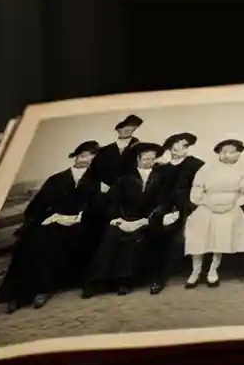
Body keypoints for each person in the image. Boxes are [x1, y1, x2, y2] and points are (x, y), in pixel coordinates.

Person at [0, 140, 100, 313]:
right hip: (53, 219)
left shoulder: (95, 181)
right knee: (32, 240)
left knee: (59, 241)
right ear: (76, 156)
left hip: (80, 222)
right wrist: (51, 217)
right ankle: (18, 294)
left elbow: (96, 203)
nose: (85, 159)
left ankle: (43, 289)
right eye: (82, 155)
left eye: (91, 156)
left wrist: (81, 216)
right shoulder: (56, 179)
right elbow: (38, 205)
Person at [82, 141, 162, 297]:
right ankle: (97, 282)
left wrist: (145, 220)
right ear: (138, 159)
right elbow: (113, 201)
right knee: (111, 236)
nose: (149, 162)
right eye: (145, 158)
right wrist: (118, 219)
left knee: (135, 239)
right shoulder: (124, 179)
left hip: (146, 220)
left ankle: (126, 281)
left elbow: (161, 202)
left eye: (152, 159)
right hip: (123, 218)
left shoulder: (160, 178)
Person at [75, 113, 144, 281]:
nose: (128, 131)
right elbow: (93, 175)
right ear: (118, 130)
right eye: (125, 128)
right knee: (96, 226)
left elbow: (141, 172)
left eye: (132, 129)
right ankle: (91, 276)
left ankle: (123, 277)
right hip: (106, 195)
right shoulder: (105, 151)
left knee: (125, 230)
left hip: (128, 196)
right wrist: (101, 187)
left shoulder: (138, 149)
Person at [185, 139, 244, 288]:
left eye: (232, 152)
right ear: (218, 153)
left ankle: (213, 270)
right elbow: (196, 190)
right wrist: (206, 203)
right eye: (224, 152)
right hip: (207, 204)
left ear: (239, 153)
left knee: (222, 229)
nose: (228, 155)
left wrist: (232, 204)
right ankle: (195, 271)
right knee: (196, 226)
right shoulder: (206, 169)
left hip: (231, 207)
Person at [145, 132, 204, 294]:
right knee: (157, 228)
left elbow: (202, 188)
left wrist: (182, 209)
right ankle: (158, 277)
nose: (179, 149)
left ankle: (198, 271)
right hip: (166, 206)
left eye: (184, 146)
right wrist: (164, 212)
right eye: (175, 146)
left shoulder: (196, 164)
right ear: (169, 147)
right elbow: (157, 194)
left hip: (190, 205)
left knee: (193, 226)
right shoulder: (161, 169)